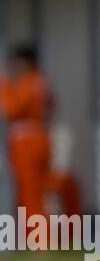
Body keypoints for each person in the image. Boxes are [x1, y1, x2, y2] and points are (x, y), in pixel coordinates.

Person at [1, 44, 82, 222]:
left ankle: (39, 240)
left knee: (31, 192)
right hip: (41, 137)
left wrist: (3, 87)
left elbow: (11, 110)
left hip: (27, 142)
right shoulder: (42, 82)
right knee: (39, 189)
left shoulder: (29, 82)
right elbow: (52, 108)